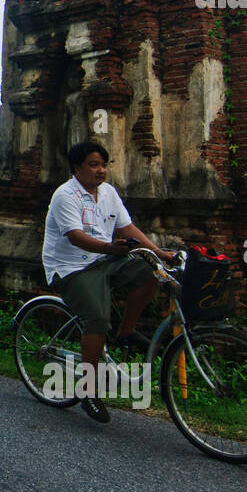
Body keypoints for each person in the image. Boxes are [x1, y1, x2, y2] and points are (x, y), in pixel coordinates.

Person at [41, 140, 178, 423]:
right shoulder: (65, 195)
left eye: (104, 165)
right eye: (93, 165)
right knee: (97, 319)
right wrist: (108, 248)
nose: (101, 170)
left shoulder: (109, 193)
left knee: (148, 272)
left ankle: (125, 332)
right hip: (71, 267)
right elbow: (75, 236)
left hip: (104, 259)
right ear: (77, 168)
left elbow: (127, 227)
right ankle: (88, 391)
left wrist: (160, 253)